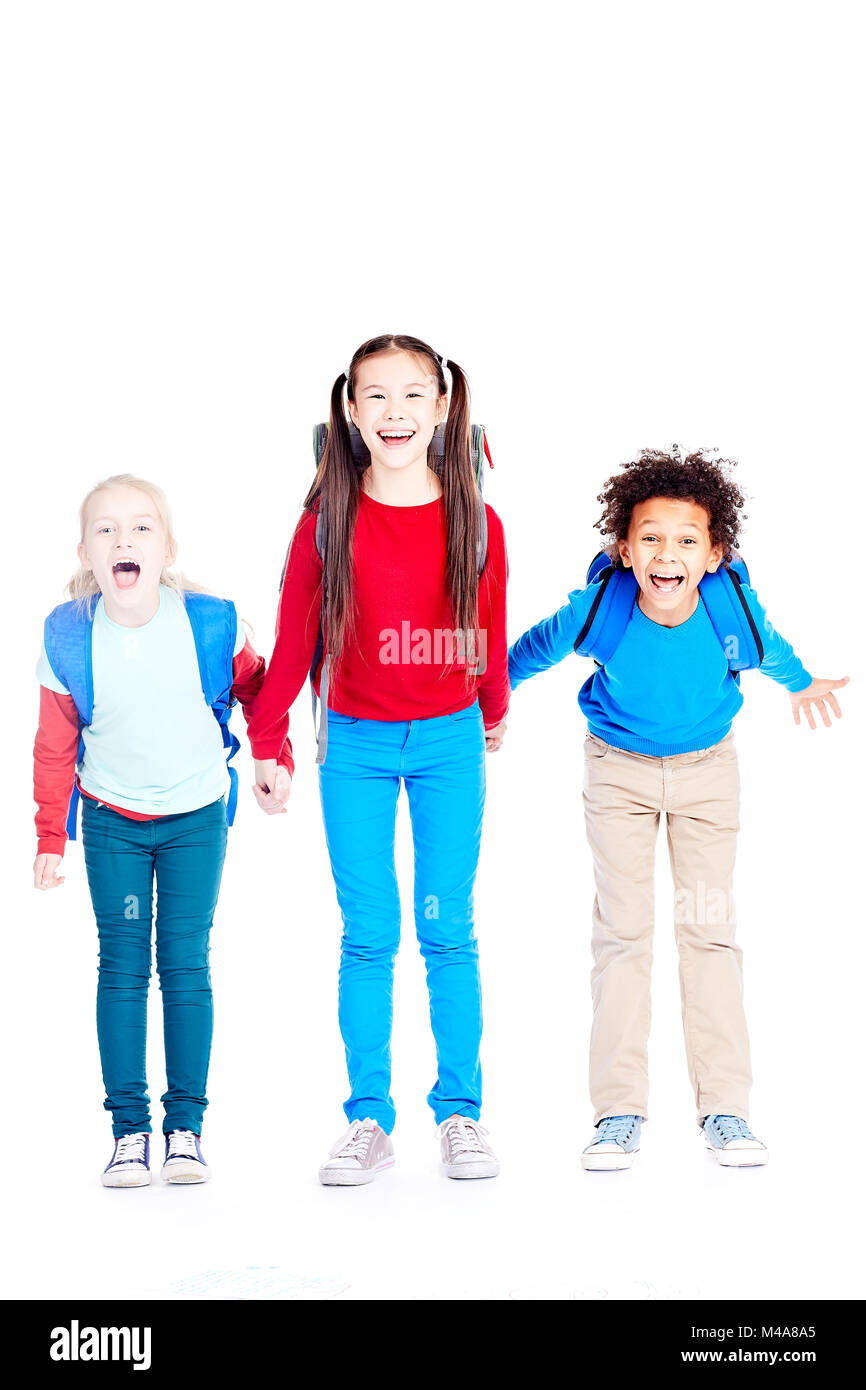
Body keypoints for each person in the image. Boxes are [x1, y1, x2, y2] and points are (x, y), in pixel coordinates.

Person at [507, 447, 848, 1170]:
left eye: (688, 540)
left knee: (707, 932)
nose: (669, 553)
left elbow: (771, 650)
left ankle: (725, 1108)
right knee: (624, 936)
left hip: (705, 777)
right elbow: (538, 647)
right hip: (619, 775)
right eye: (651, 537)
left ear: (715, 553)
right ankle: (618, 1113)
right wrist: (485, 697)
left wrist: (804, 683)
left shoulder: (731, 607)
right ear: (624, 548)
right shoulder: (600, 605)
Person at [247, 334, 509, 1184]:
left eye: (411, 396)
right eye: (376, 397)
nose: (394, 413)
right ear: (351, 411)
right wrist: (271, 742)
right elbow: (291, 645)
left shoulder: (476, 518)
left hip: (448, 744)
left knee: (446, 931)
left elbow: (488, 631)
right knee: (368, 936)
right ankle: (368, 1120)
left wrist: (493, 713)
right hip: (354, 747)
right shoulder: (327, 520)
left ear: (441, 408)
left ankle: (461, 1115)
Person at [33, 474, 291, 1187]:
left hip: (195, 819)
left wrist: (277, 762)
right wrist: (51, 834)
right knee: (121, 966)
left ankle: (185, 1129)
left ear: (167, 548)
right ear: (85, 552)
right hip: (113, 821)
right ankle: (128, 1133)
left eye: (142, 528)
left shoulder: (209, 622)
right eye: (107, 529)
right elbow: (54, 744)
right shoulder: (68, 633)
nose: (124, 540)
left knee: (183, 962)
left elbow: (259, 693)